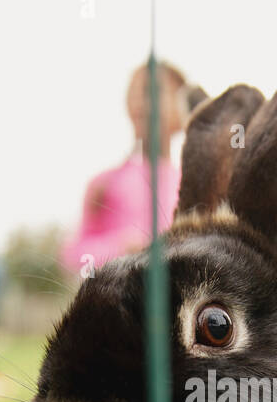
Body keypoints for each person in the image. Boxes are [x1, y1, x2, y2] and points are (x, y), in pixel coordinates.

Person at [60, 61, 190, 276]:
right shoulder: (104, 184)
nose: (143, 102)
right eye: (135, 93)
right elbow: (74, 257)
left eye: (153, 91)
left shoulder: (190, 184)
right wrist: (119, 249)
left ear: (181, 110)